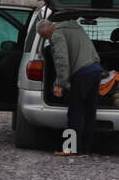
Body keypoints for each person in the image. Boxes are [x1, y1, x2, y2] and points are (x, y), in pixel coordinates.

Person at [37, 19, 103, 155]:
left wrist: (60, 83)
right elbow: (91, 49)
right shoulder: (76, 28)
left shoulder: (56, 34)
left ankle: (72, 148)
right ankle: (85, 148)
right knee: (90, 112)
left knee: (75, 112)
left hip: (82, 73)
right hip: (95, 70)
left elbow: (62, 60)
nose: (48, 39)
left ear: (47, 30)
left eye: (45, 37)